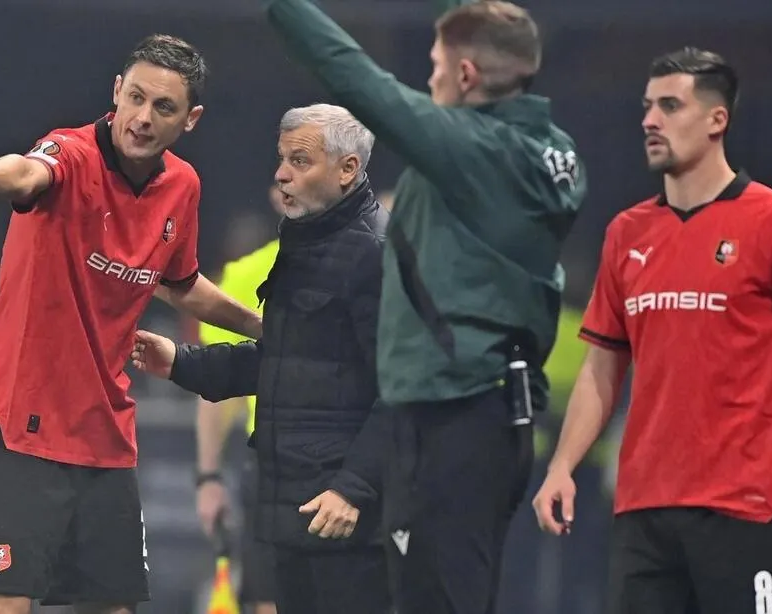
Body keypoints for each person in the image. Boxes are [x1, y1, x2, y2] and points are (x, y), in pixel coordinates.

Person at [257, 1, 587, 612]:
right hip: (489, 412)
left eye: (435, 67)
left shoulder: (476, 149)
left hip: (451, 417)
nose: (426, 82)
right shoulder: (554, 152)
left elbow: (357, 78)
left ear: (465, 75)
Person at [0, 34, 263, 614]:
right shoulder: (72, 153)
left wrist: (265, 329)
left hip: (106, 435)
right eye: (135, 97)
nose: (143, 118)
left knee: (114, 607)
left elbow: (181, 285)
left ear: (191, 119)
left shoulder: (182, 186)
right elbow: (29, 173)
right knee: (2, 605)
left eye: (164, 108)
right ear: (116, 92)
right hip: (20, 427)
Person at [531, 47, 772, 614]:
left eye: (669, 105)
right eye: (647, 106)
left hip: (747, 510)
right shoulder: (627, 233)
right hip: (642, 513)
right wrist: (562, 466)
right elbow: (602, 367)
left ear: (717, 120)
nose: (649, 120)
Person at [131, 103, 393, 614]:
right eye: (281, 159)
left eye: (300, 160)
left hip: (347, 518)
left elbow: (405, 389)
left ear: (348, 170)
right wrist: (182, 363)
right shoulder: (306, 244)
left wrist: (354, 489)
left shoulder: (379, 253)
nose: (280, 174)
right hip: (289, 507)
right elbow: (287, 360)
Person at [195, 186, 281, 614]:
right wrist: (208, 477)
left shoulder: (376, 259)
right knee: (268, 601)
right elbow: (218, 383)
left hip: (356, 457)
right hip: (270, 463)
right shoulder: (247, 274)